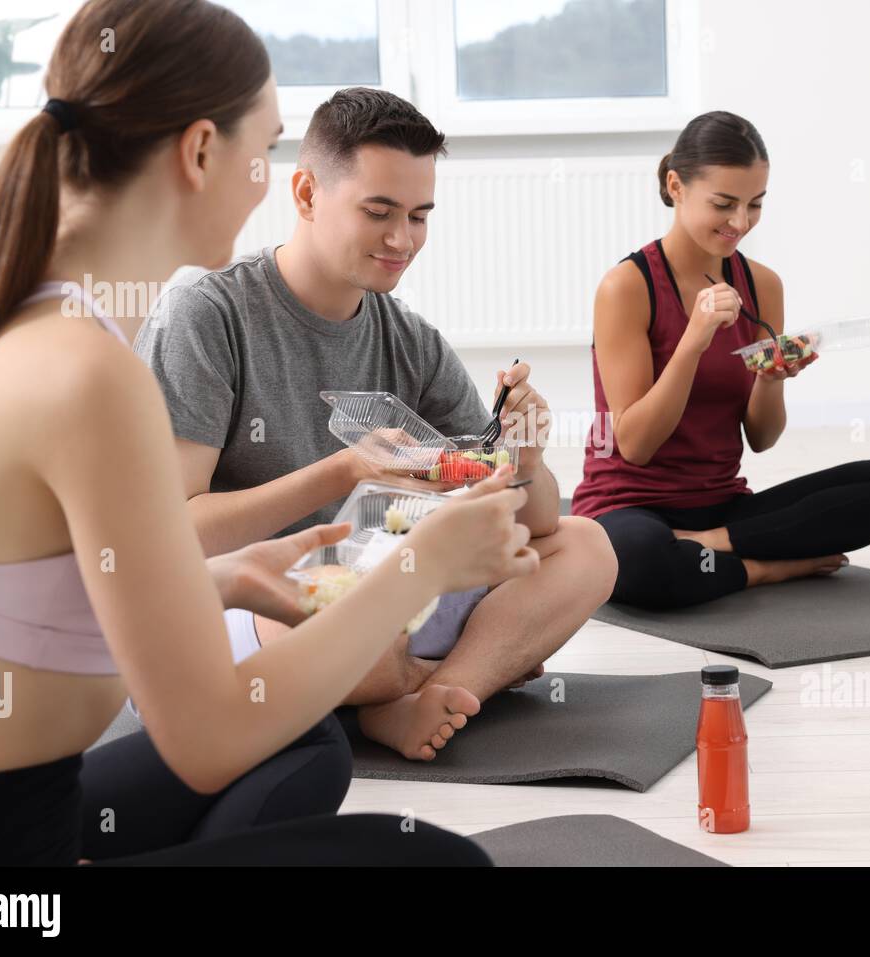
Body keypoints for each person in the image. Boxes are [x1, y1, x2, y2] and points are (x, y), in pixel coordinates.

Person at [0, 0, 525, 866]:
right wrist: (424, 563)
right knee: (435, 858)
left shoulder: (29, 321)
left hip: (6, 813)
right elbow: (205, 735)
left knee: (308, 741)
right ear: (201, 152)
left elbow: (44, 592)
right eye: (266, 151)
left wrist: (231, 577)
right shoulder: (92, 373)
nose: (274, 183)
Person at [134, 86, 618, 761]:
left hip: (381, 593)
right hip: (262, 603)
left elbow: (533, 526)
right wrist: (342, 471)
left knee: (586, 545)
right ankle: (422, 686)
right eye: (379, 212)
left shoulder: (410, 338)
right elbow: (173, 535)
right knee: (333, 629)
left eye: (420, 215)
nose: (403, 239)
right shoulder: (207, 312)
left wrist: (524, 461)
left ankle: (430, 695)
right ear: (306, 194)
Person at [571, 111, 870, 610]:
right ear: (676, 186)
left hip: (725, 509)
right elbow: (634, 444)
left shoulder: (762, 285)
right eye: (723, 204)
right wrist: (693, 340)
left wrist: (771, 379)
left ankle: (709, 548)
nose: (740, 223)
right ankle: (767, 567)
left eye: (754, 205)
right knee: (635, 561)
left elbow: (761, 439)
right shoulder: (627, 287)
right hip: (632, 509)